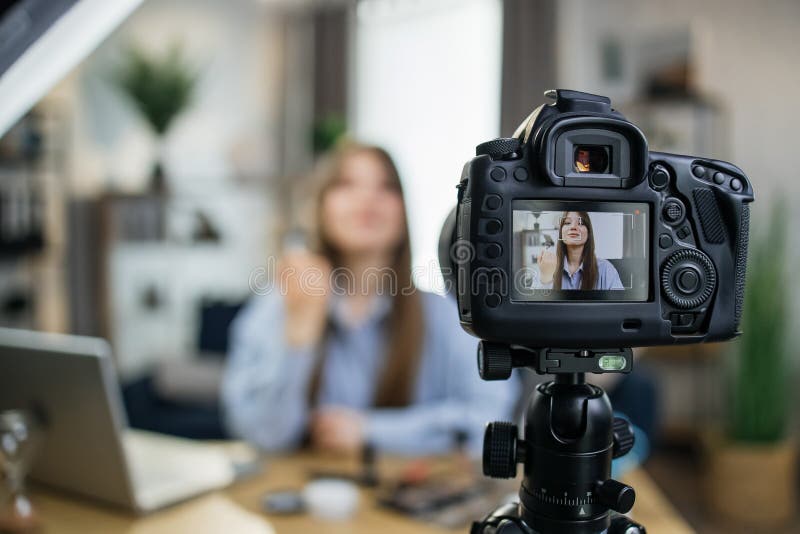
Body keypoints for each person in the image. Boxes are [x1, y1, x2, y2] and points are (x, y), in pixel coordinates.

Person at [221, 142, 517, 456]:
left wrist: (370, 430)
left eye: (386, 187)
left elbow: (492, 420)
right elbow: (262, 435)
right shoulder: (278, 305)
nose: (367, 199)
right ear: (319, 207)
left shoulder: (442, 316)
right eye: (346, 185)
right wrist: (300, 332)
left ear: (403, 211)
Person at [533, 211, 624, 290]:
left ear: (588, 234)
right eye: (567, 223)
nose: (573, 227)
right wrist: (546, 277)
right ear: (561, 233)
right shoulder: (546, 266)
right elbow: (531, 308)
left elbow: (622, 307)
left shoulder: (606, 269)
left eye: (580, 223)